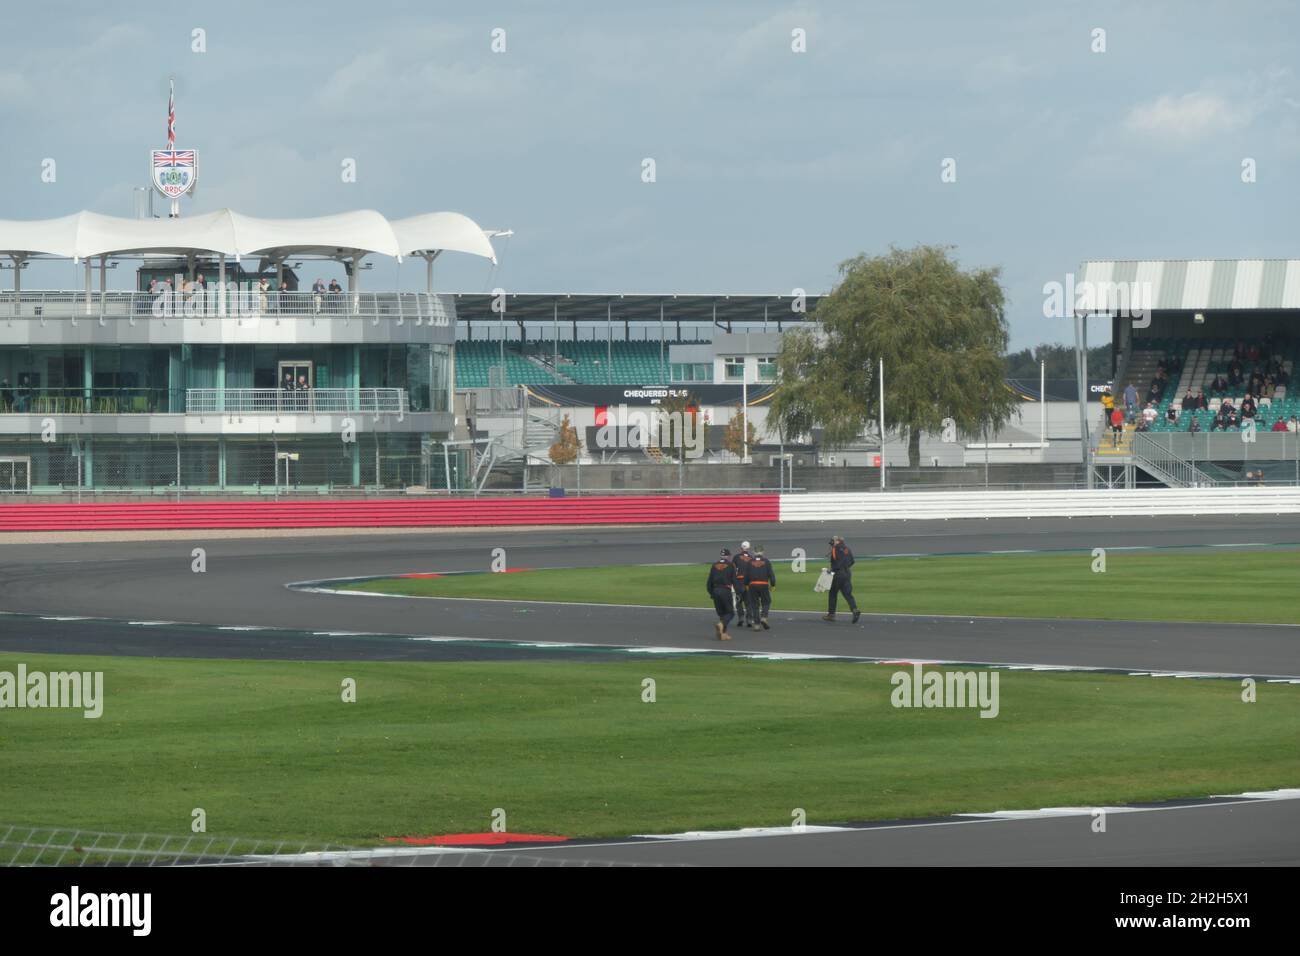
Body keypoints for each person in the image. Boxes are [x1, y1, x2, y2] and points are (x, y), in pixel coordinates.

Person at [823, 535, 860, 623]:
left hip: (838, 574)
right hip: (847, 573)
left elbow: (837, 564)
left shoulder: (835, 549)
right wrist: (845, 567)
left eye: (833, 541)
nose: (832, 543)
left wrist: (831, 570)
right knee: (848, 594)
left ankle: (831, 615)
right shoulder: (847, 549)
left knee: (832, 593)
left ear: (837, 541)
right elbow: (852, 561)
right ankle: (854, 609)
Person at [706, 548, 737, 640]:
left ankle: (723, 634)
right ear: (728, 556)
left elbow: (709, 582)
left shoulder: (714, 565)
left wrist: (712, 593)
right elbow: (734, 580)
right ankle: (721, 625)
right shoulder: (731, 565)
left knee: (722, 614)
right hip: (725, 590)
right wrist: (740, 592)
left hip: (715, 590)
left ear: (721, 556)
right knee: (730, 613)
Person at [743, 545, 776, 630]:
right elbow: (771, 575)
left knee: (755, 605)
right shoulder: (767, 561)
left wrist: (746, 584)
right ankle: (764, 617)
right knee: (766, 602)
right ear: (763, 552)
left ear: (754, 552)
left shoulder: (749, 562)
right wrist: (773, 585)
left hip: (752, 585)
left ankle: (757, 625)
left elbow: (746, 575)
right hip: (764, 584)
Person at [731, 541, 754, 627]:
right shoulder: (752, 558)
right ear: (748, 548)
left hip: (739, 582)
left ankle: (741, 617)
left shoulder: (736, 557)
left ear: (741, 548)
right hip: (748, 583)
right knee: (748, 602)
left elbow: (732, 570)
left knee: (739, 601)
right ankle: (749, 620)